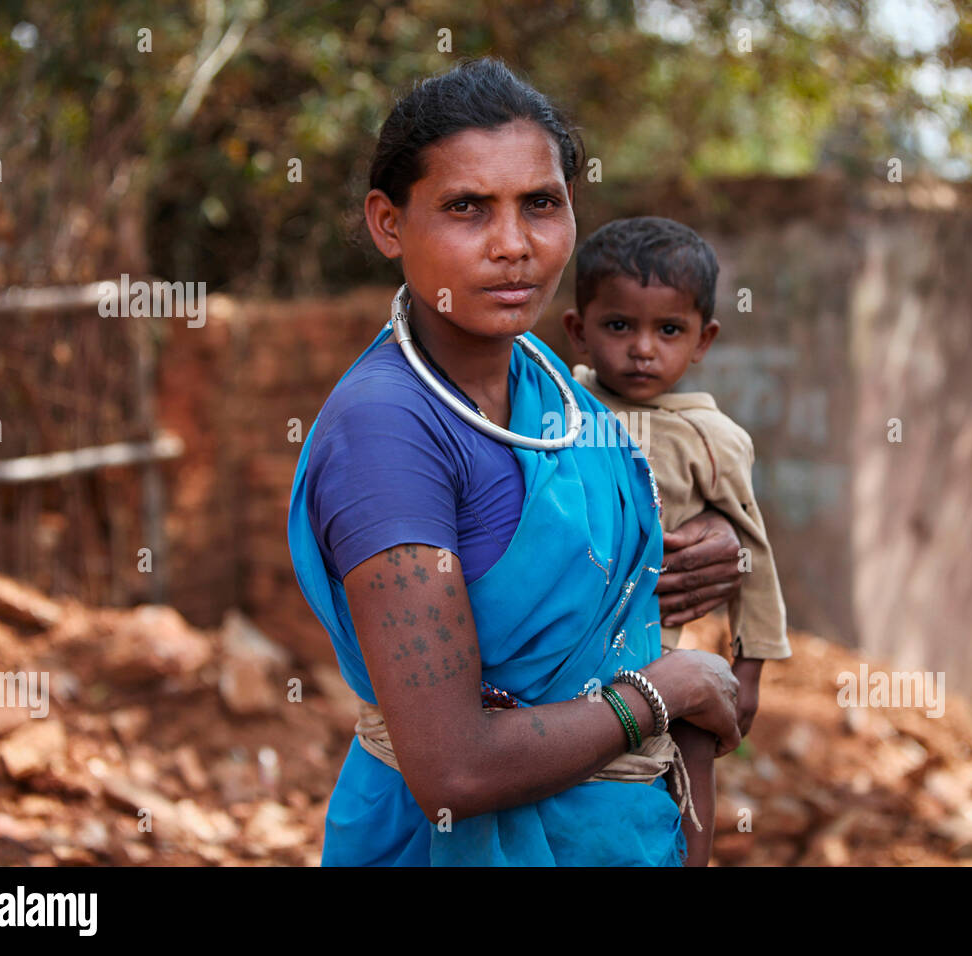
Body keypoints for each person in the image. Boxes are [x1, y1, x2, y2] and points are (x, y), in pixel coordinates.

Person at [286, 57, 746, 866]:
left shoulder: (550, 388)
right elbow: (454, 769)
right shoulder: (389, 436)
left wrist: (711, 540)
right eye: (468, 208)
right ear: (389, 224)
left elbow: (612, 544)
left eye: (541, 204)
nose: (514, 246)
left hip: (619, 835)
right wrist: (663, 692)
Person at [561, 216, 793, 865]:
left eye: (668, 331)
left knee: (693, 745)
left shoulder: (710, 438)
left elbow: (756, 559)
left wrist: (749, 672)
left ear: (702, 341)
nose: (642, 349)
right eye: (618, 326)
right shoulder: (558, 411)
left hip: (658, 650)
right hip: (563, 650)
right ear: (578, 331)